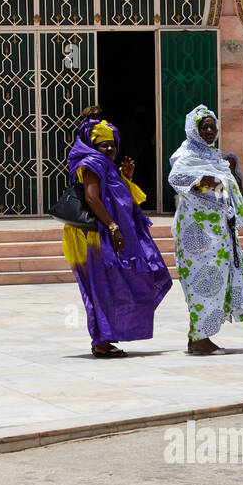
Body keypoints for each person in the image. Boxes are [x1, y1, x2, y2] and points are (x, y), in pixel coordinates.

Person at [62, 119, 172, 358]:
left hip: (117, 237)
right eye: (103, 145)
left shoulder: (108, 167)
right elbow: (93, 198)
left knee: (123, 285)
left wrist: (126, 176)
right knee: (102, 289)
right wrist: (112, 226)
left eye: (112, 144)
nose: (109, 149)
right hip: (98, 240)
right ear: (93, 147)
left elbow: (121, 198)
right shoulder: (92, 164)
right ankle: (101, 341)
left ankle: (108, 336)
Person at [168, 106, 243, 355]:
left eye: (212, 126)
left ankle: (198, 336)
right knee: (202, 282)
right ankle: (199, 338)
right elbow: (178, 179)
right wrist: (212, 184)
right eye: (203, 127)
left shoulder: (215, 157)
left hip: (219, 232)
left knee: (215, 281)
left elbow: (225, 189)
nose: (208, 131)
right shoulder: (186, 154)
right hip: (198, 234)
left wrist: (221, 186)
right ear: (193, 130)